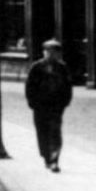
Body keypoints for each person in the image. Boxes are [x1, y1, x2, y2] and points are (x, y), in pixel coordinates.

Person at [25, 38, 73, 172]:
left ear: (58, 54)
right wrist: (32, 102)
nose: (51, 55)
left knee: (55, 132)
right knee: (42, 131)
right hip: (40, 105)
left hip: (56, 105)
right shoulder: (36, 67)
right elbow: (30, 86)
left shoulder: (62, 68)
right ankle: (46, 156)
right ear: (43, 52)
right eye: (48, 52)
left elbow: (68, 86)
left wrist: (65, 102)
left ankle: (54, 159)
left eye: (54, 52)